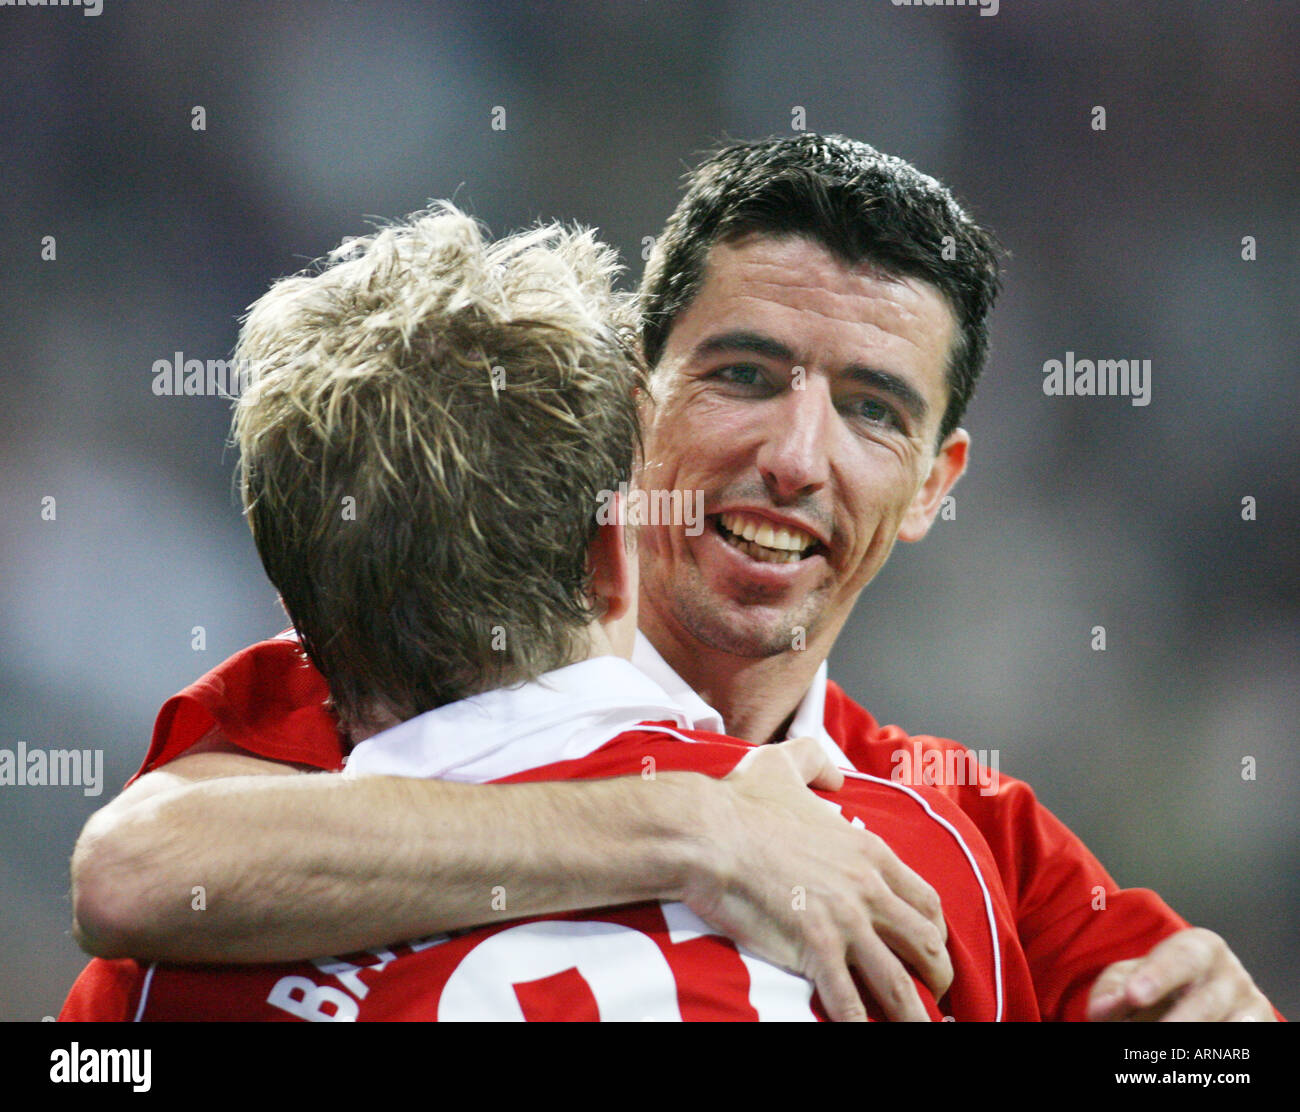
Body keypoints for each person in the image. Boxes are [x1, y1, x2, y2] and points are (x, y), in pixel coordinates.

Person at [67, 135, 1278, 1022]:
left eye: (871, 408)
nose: (794, 457)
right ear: (629, 401)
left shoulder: (976, 835)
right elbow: (134, 871)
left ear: (930, 485)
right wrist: (690, 820)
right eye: (743, 373)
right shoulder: (388, 668)